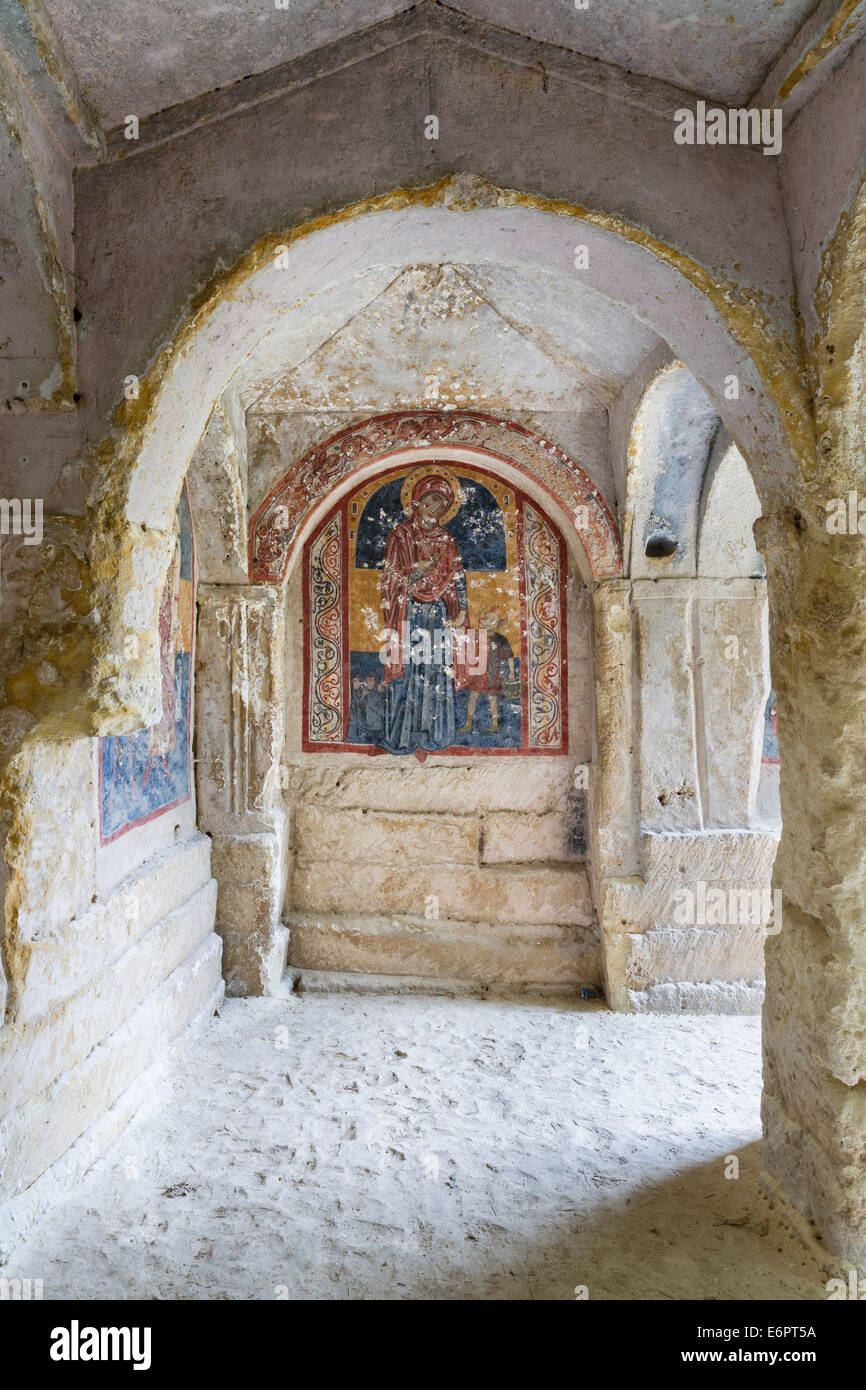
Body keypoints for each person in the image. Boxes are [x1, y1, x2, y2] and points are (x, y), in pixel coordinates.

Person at [379, 473, 469, 753]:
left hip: (438, 614)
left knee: (436, 672)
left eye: (442, 503)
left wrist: (463, 608)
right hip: (409, 612)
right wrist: (416, 571)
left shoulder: (446, 538)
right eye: (431, 500)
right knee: (409, 670)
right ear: (418, 501)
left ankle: (436, 735)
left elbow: (457, 574)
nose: (436, 507)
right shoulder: (402, 534)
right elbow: (389, 577)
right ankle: (403, 737)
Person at [459, 607, 516, 734]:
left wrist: (512, 673)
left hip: (492, 673)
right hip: (478, 673)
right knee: (473, 696)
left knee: (492, 698)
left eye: (494, 619)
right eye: (487, 618)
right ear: (482, 620)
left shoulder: (501, 639)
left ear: (499, 623)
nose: (489, 621)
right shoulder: (477, 635)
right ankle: (468, 723)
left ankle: (495, 724)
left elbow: (510, 656)